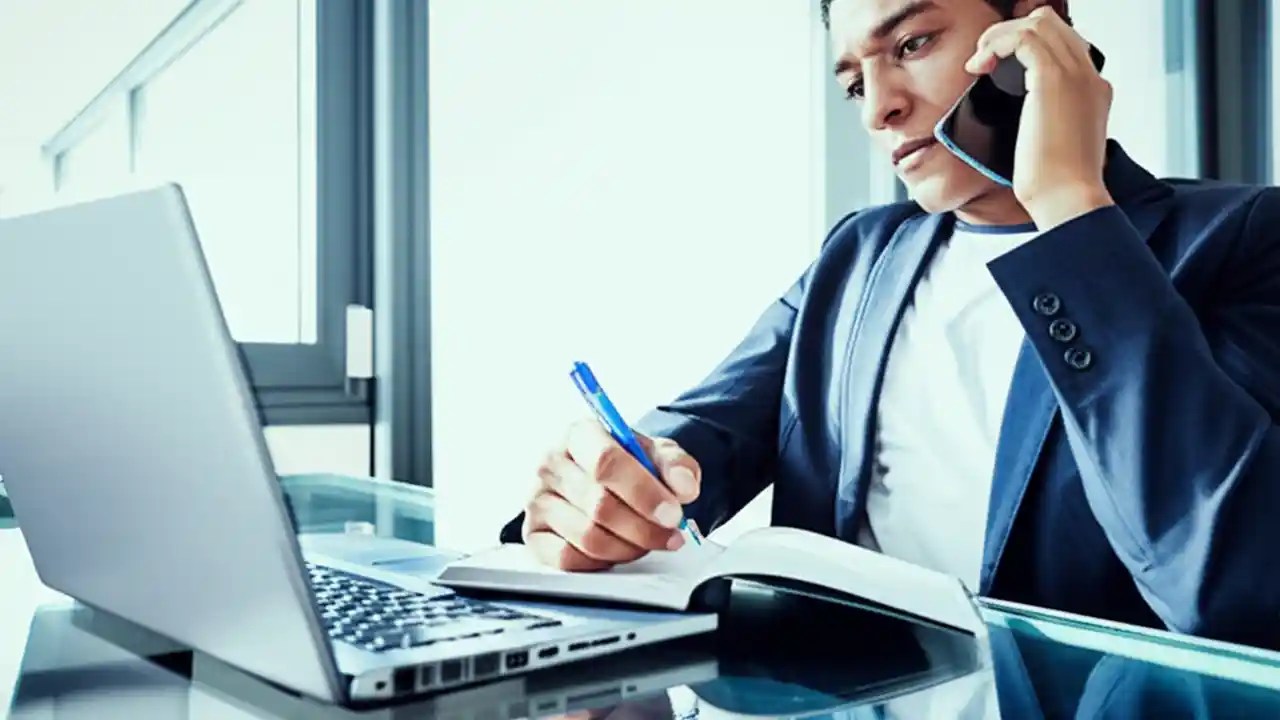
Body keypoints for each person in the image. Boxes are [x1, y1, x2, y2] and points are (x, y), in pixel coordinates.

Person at [500, 0, 1280, 651]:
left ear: (1034, 34)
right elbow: (688, 447)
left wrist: (1071, 204)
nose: (879, 109)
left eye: (912, 44)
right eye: (853, 84)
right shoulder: (861, 256)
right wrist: (601, 498)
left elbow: (1230, 588)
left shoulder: (1243, 237)